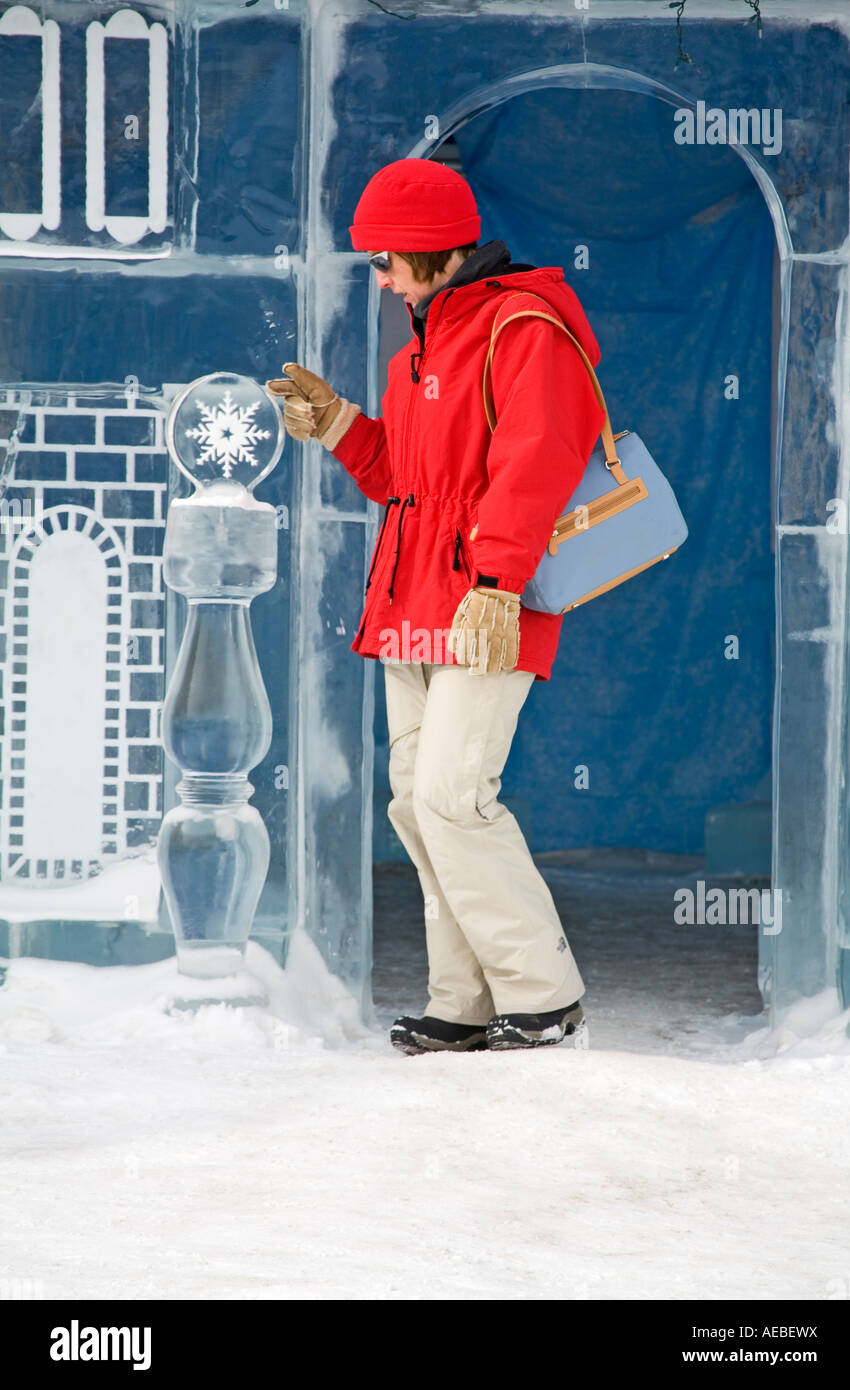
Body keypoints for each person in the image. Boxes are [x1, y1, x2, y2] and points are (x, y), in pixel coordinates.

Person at [267, 158, 606, 1054]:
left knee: (455, 795)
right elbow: (404, 483)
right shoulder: (420, 341)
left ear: (436, 254)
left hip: (485, 598)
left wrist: (496, 586)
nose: (378, 276)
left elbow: (536, 462)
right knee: (416, 804)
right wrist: (339, 420)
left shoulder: (521, 327)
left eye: (386, 260)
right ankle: (460, 999)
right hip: (414, 593)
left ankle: (544, 995)